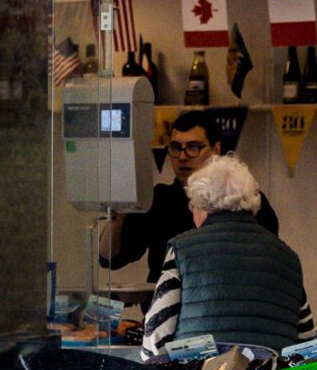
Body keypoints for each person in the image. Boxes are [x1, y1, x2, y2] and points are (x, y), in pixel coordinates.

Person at [142, 155, 312, 356]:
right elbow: (306, 341)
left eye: (193, 207)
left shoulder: (182, 249)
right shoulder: (288, 257)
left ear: (203, 206)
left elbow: (156, 334)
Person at [100, 109, 277, 285]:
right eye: (176, 148)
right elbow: (110, 259)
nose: (183, 157)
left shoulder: (245, 198)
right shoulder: (160, 199)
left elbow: (269, 259)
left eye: (193, 148)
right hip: (165, 306)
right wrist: (117, 222)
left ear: (216, 149)